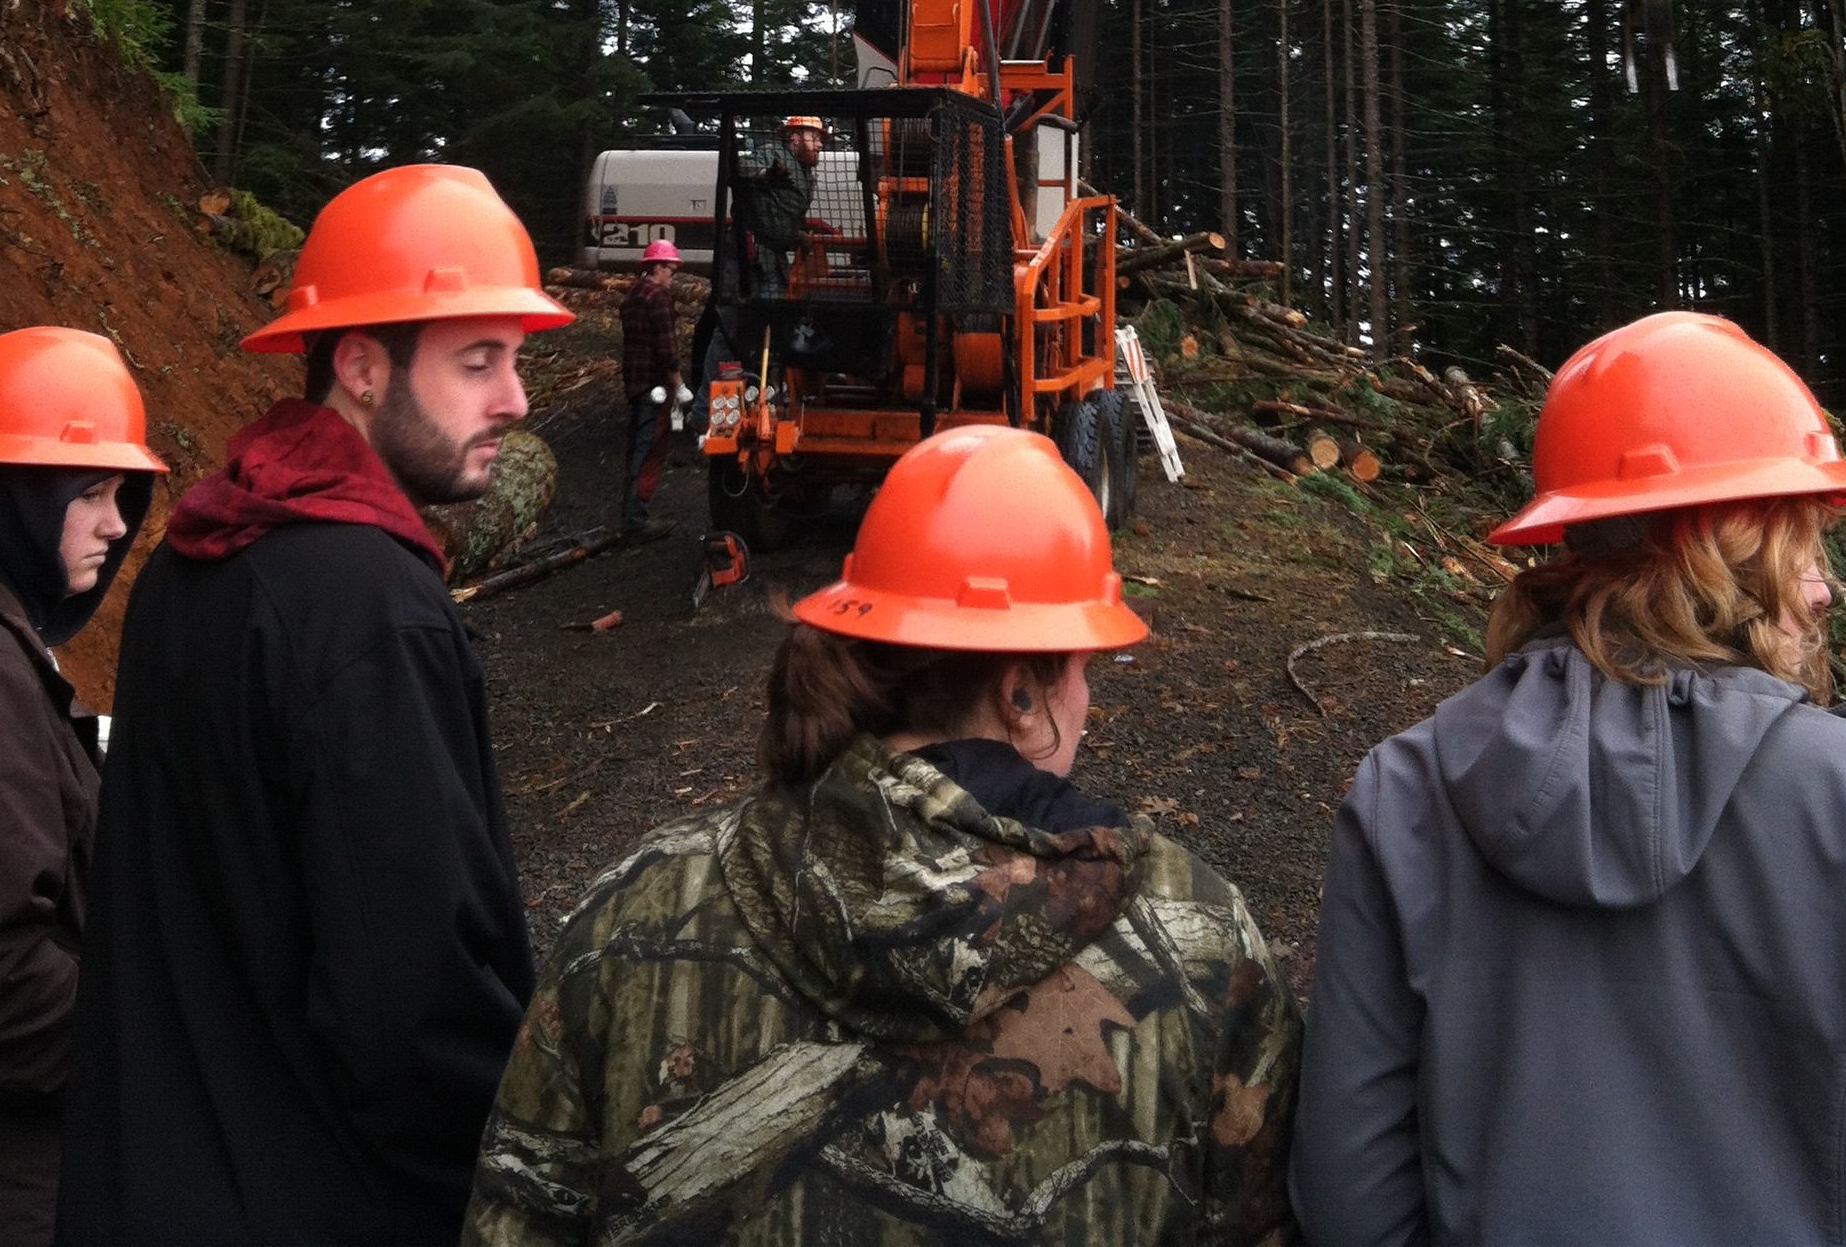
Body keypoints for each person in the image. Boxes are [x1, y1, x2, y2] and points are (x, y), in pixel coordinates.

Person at [464, 422, 1302, 1247]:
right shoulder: (1204, 952)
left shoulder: (632, 919)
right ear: (1021, 694)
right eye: (1085, 666)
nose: (1090, 699)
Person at [1291, 309, 1846, 1247]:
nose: (1823, 591)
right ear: (1732, 539)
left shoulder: (1402, 794)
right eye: (1806, 545)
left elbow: (1350, 1199)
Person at [57, 163, 573, 1247]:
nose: (516, 402)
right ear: (361, 366)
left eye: (514, 363)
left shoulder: (193, 566)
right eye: (479, 362)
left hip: (150, 1184)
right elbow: (411, 1005)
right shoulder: (372, 610)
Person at [0, 330, 163, 1247]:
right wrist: (147, 1032)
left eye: (122, 495)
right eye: (87, 494)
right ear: (11, 499)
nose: (117, 524)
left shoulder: (9, 649)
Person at [618, 237, 682, 541]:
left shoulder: (633, 295)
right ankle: (636, 519)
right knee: (650, 449)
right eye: (670, 269)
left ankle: (632, 514)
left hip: (635, 382)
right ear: (657, 267)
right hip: (655, 386)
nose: (673, 275)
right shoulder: (658, 298)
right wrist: (680, 386)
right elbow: (667, 350)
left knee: (637, 446)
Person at [736, 110, 825, 296]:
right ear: (795, 138)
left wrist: (796, 234)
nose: (820, 144)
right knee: (759, 311)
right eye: (814, 138)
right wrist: (765, 174)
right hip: (755, 256)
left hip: (775, 258)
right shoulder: (772, 153)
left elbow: (784, 212)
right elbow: (738, 167)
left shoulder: (805, 172)